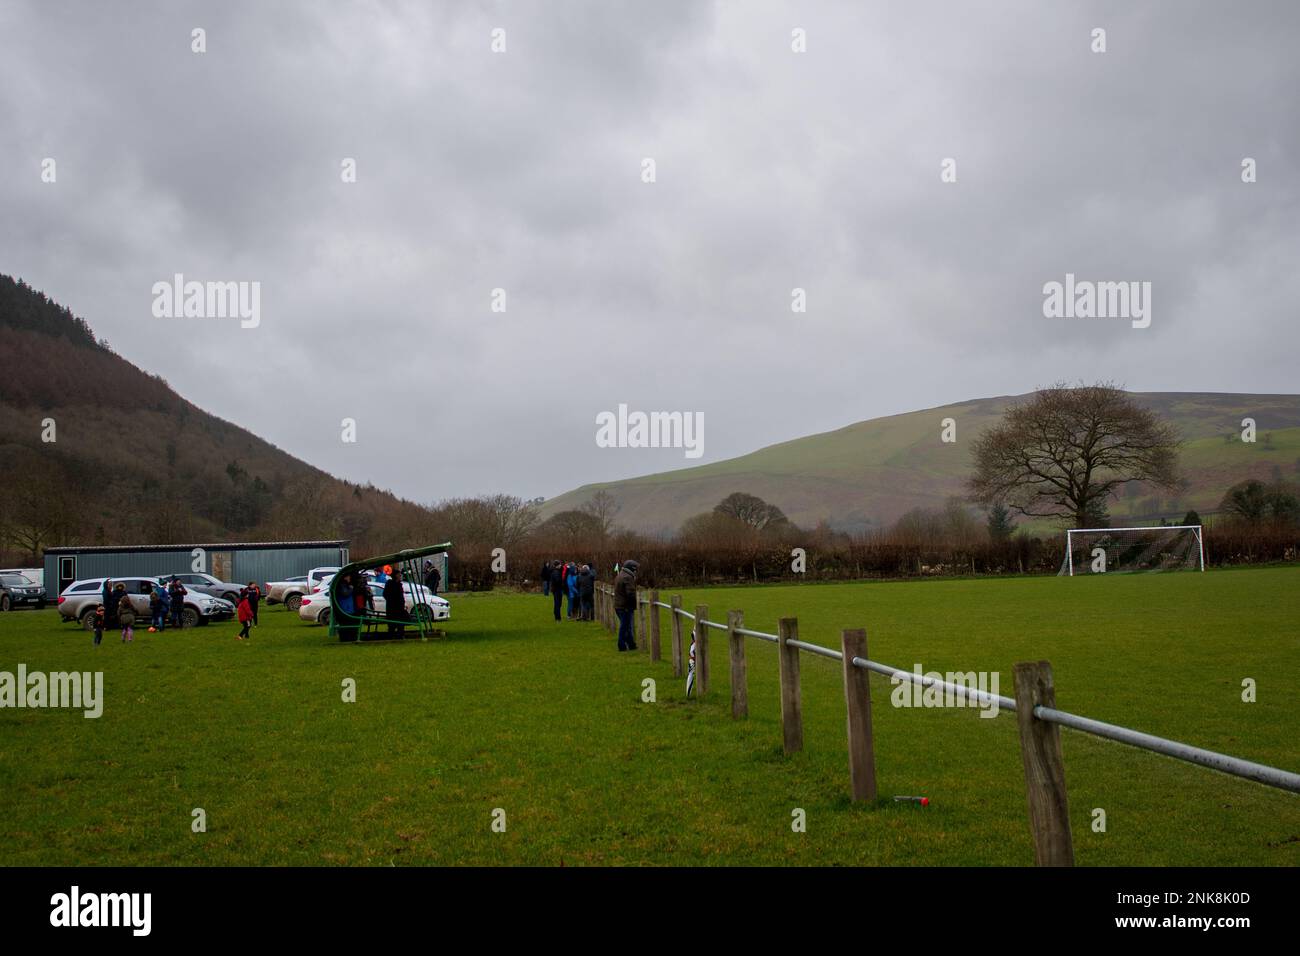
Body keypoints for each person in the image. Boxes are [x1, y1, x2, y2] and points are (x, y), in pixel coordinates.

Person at [613, 559, 639, 651]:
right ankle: (621, 645)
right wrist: (631, 606)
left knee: (627, 626)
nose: (636, 571)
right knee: (624, 627)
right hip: (625, 607)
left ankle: (631, 644)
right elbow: (630, 593)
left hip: (619, 605)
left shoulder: (620, 575)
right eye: (635, 569)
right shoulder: (628, 577)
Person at [383, 569, 407, 637]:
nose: (400, 576)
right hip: (392, 608)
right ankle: (392, 636)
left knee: (400, 624)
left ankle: (400, 635)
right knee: (392, 624)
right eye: (399, 575)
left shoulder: (399, 584)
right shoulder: (390, 584)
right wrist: (392, 602)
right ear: (396, 575)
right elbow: (385, 594)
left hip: (399, 608)